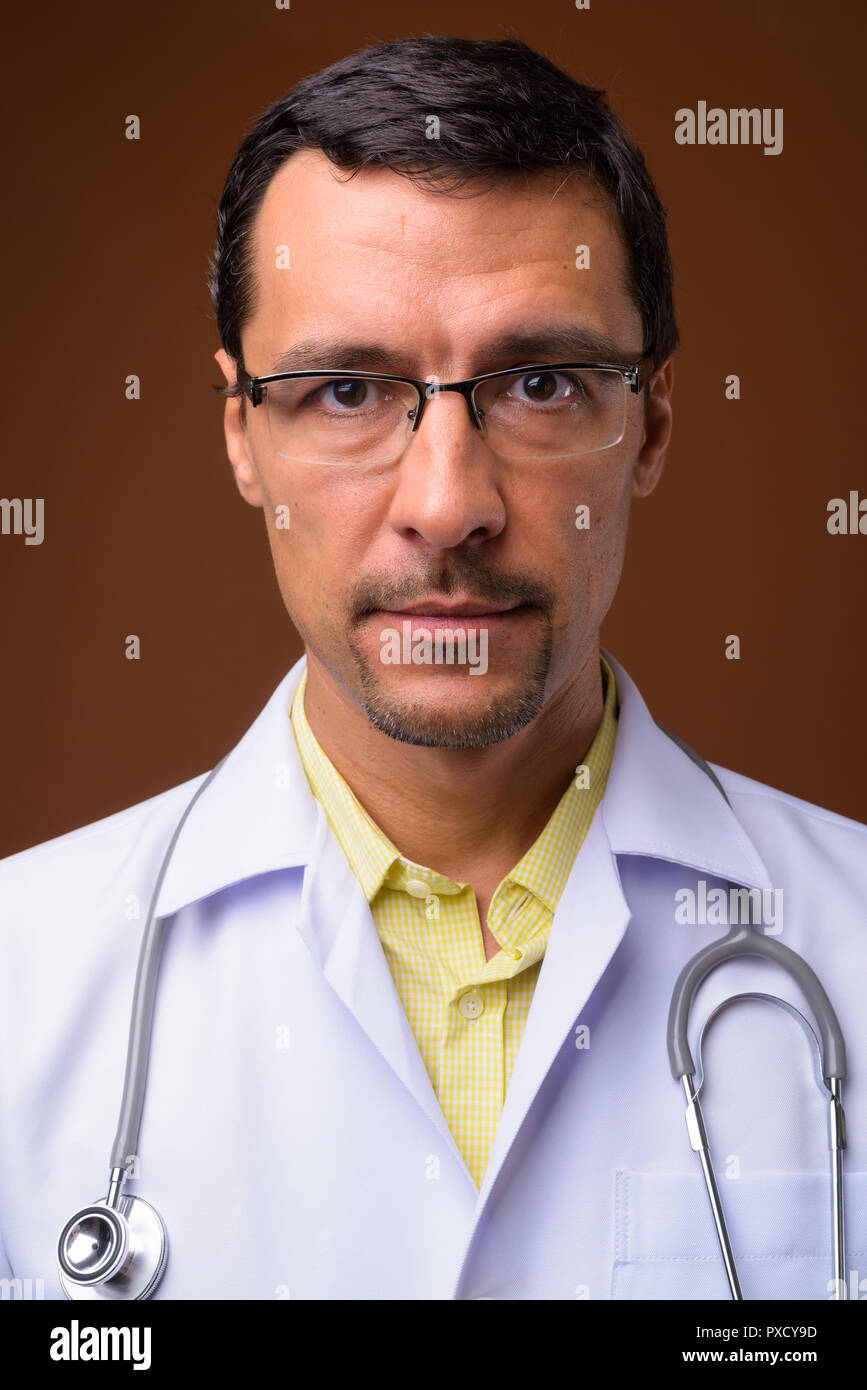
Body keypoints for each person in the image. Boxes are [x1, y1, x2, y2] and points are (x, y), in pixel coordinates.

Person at [1, 34, 865, 1303]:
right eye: (349, 389)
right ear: (243, 435)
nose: (449, 503)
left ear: (653, 426)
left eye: (542, 383)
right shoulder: (22, 975)